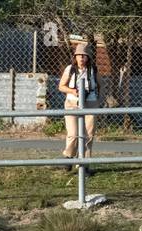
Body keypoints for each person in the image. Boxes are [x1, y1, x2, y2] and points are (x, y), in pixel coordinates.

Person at [59, 42, 100, 172]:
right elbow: (61, 86)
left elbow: (101, 85)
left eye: (84, 56)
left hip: (90, 103)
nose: (81, 58)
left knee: (88, 135)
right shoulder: (70, 69)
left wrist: (99, 100)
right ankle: (69, 156)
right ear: (75, 57)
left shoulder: (93, 70)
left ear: (88, 57)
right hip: (72, 103)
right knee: (74, 134)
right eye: (79, 55)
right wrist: (73, 91)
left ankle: (84, 165)